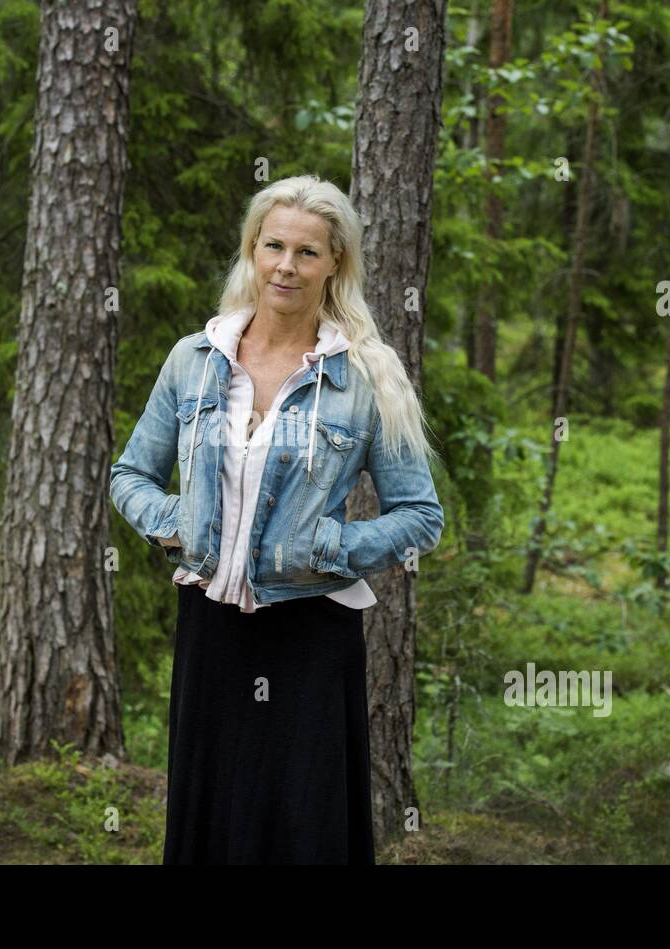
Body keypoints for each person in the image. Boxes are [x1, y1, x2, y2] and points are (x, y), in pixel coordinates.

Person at [109, 174, 445, 864]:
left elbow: (420, 514)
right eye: (274, 246)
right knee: (215, 813)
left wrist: (330, 544)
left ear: (335, 265)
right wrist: (179, 523)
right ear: (252, 251)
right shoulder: (194, 361)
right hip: (212, 626)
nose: (286, 266)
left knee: (304, 821)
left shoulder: (366, 376)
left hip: (311, 632)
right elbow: (129, 475)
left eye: (308, 252)